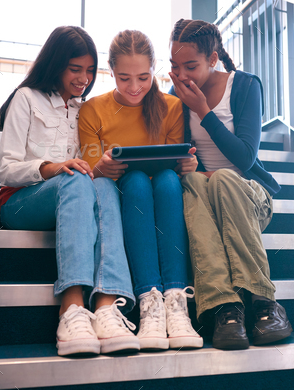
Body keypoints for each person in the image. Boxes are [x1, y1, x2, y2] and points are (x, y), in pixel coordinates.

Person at [0, 26, 139, 356]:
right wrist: (53, 167)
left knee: (100, 182)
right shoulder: (26, 98)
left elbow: (88, 170)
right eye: (75, 69)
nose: (83, 79)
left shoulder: (84, 111)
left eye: (89, 71)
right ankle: (71, 308)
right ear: (56, 63)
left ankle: (105, 307)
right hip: (21, 201)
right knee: (76, 177)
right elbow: (6, 168)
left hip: (73, 201)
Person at [168, 19, 292, 350]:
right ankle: (224, 308)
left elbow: (245, 159)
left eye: (190, 66)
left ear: (212, 59)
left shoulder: (246, 86)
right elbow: (178, 156)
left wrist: (204, 111)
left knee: (223, 177)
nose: (181, 76)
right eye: (175, 67)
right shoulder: (174, 97)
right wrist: (184, 165)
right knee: (193, 181)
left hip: (250, 195)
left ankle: (263, 301)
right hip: (204, 196)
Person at [78, 29, 202, 351]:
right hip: (125, 197)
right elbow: (89, 170)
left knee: (168, 179)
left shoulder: (172, 107)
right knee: (134, 181)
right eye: (124, 78)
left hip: (163, 193)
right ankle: (149, 303)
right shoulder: (93, 110)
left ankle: (176, 302)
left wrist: (188, 165)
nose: (135, 88)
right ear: (110, 71)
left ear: (154, 70)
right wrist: (101, 167)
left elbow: (175, 161)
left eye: (143, 78)